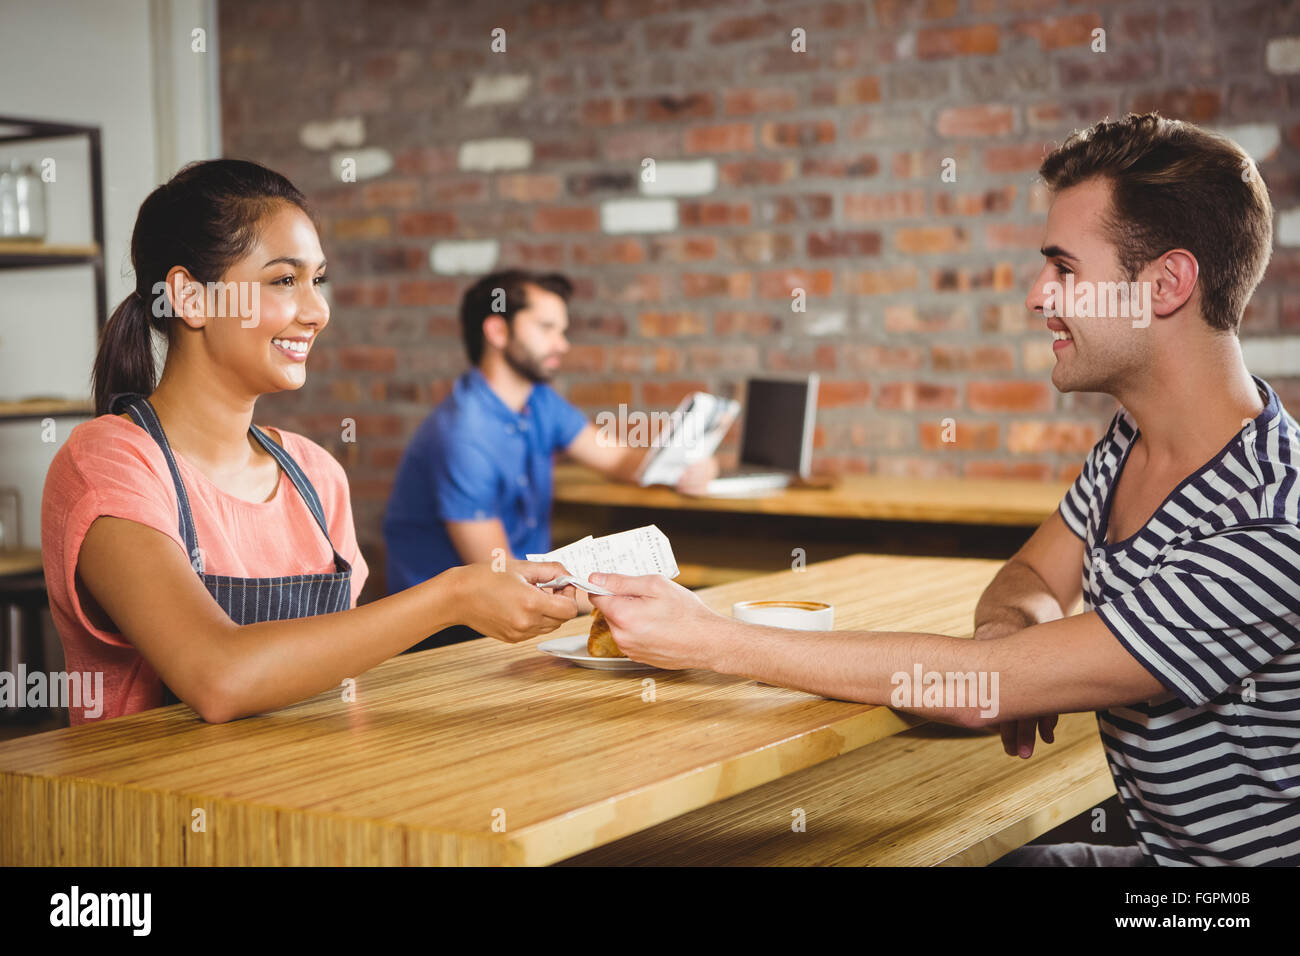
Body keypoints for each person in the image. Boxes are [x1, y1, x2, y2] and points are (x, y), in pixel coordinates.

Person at [585, 113, 1300, 867]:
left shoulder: (1269, 519)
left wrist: (713, 639)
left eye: (1064, 268)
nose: (1037, 295)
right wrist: (1011, 648)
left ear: (1165, 285)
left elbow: (972, 691)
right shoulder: (1134, 443)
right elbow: (1026, 578)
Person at [41, 160, 577, 726]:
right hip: (163, 811)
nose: (317, 311)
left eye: (317, 280)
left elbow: (337, 678)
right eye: (283, 280)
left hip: (313, 804)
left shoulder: (315, 475)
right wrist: (452, 597)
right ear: (191, 299)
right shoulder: (109, 465)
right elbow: (218, 677)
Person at [382, 268, 718, 650]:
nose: (562, 345)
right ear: (497, 332)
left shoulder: (540, 401)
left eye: (562, 330)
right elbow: (499, 578)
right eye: (547, 328)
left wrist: (685, 466)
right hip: (450, 635)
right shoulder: (463, 435)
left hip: (522, 602)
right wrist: (616, 593)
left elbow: (620, 460)